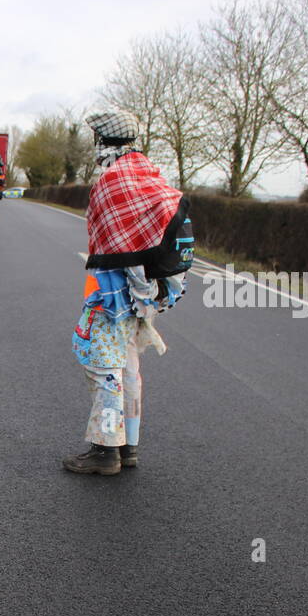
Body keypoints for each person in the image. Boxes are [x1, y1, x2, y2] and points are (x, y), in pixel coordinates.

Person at [63, 108, 191, 475]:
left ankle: (105, 451)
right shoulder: (150, 173)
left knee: (104, 368)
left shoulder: (113, 179)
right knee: (130, 368)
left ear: (102, 141)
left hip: (113, 295)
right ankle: (128, 447)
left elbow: (111, 243)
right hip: (146, 293)